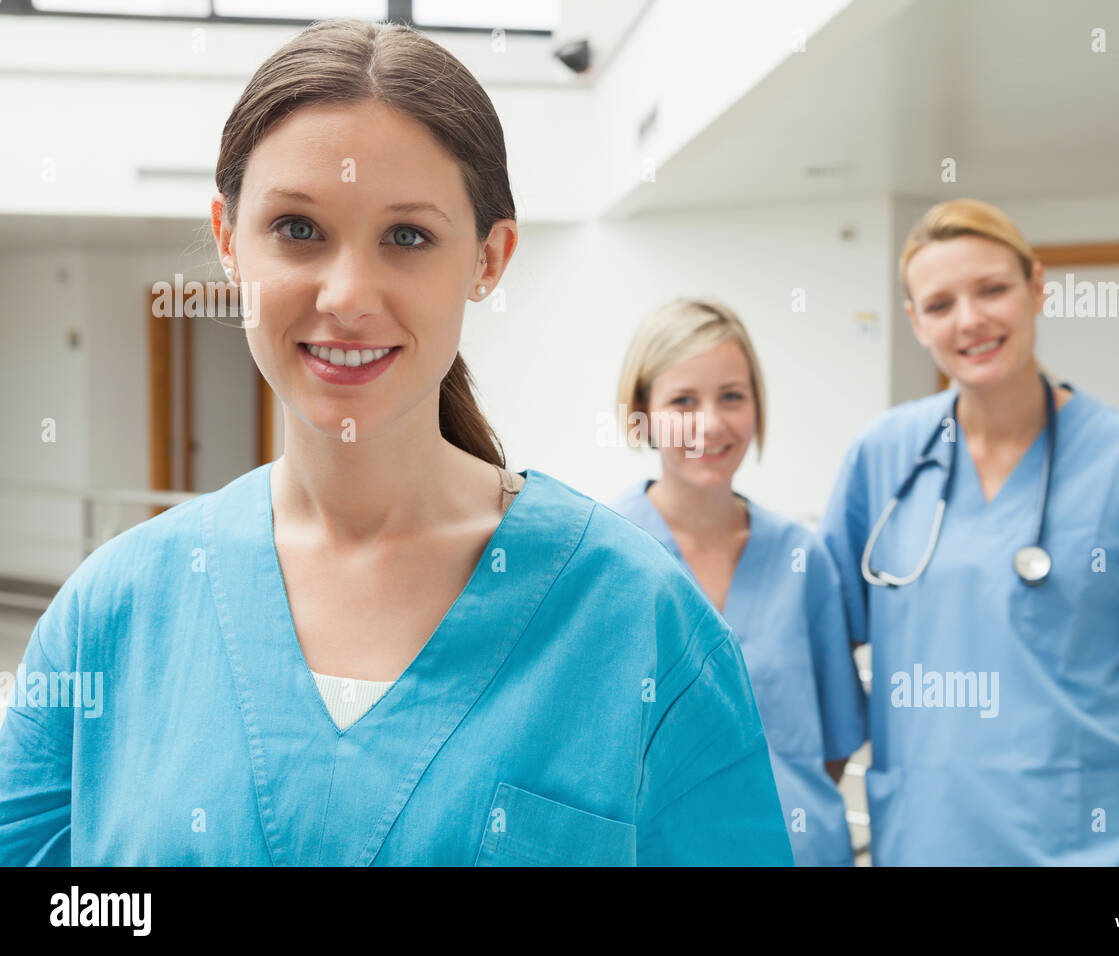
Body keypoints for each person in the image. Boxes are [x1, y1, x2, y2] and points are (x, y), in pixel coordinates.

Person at [0, 19, 793, 867]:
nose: (347, 294)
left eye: (407, 237)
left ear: (490, 258)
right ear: (229, 241)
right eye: (298, 229)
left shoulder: (637, 620)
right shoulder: (113, 617)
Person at [819, 197, 1119, 866]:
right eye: (940, 304)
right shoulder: (882, 456)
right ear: (915, 322)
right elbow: (822, 648)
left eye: (993, 289)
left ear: (1037, 287)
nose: (970, 320)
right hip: (925, 846)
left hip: (1112, 852)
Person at [608, 298, 869, 866]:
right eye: (682, 400)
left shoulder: (802, 559)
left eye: (732, 396)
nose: (712, 424)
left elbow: (832, 744)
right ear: (642, 413)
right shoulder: (605, 560)